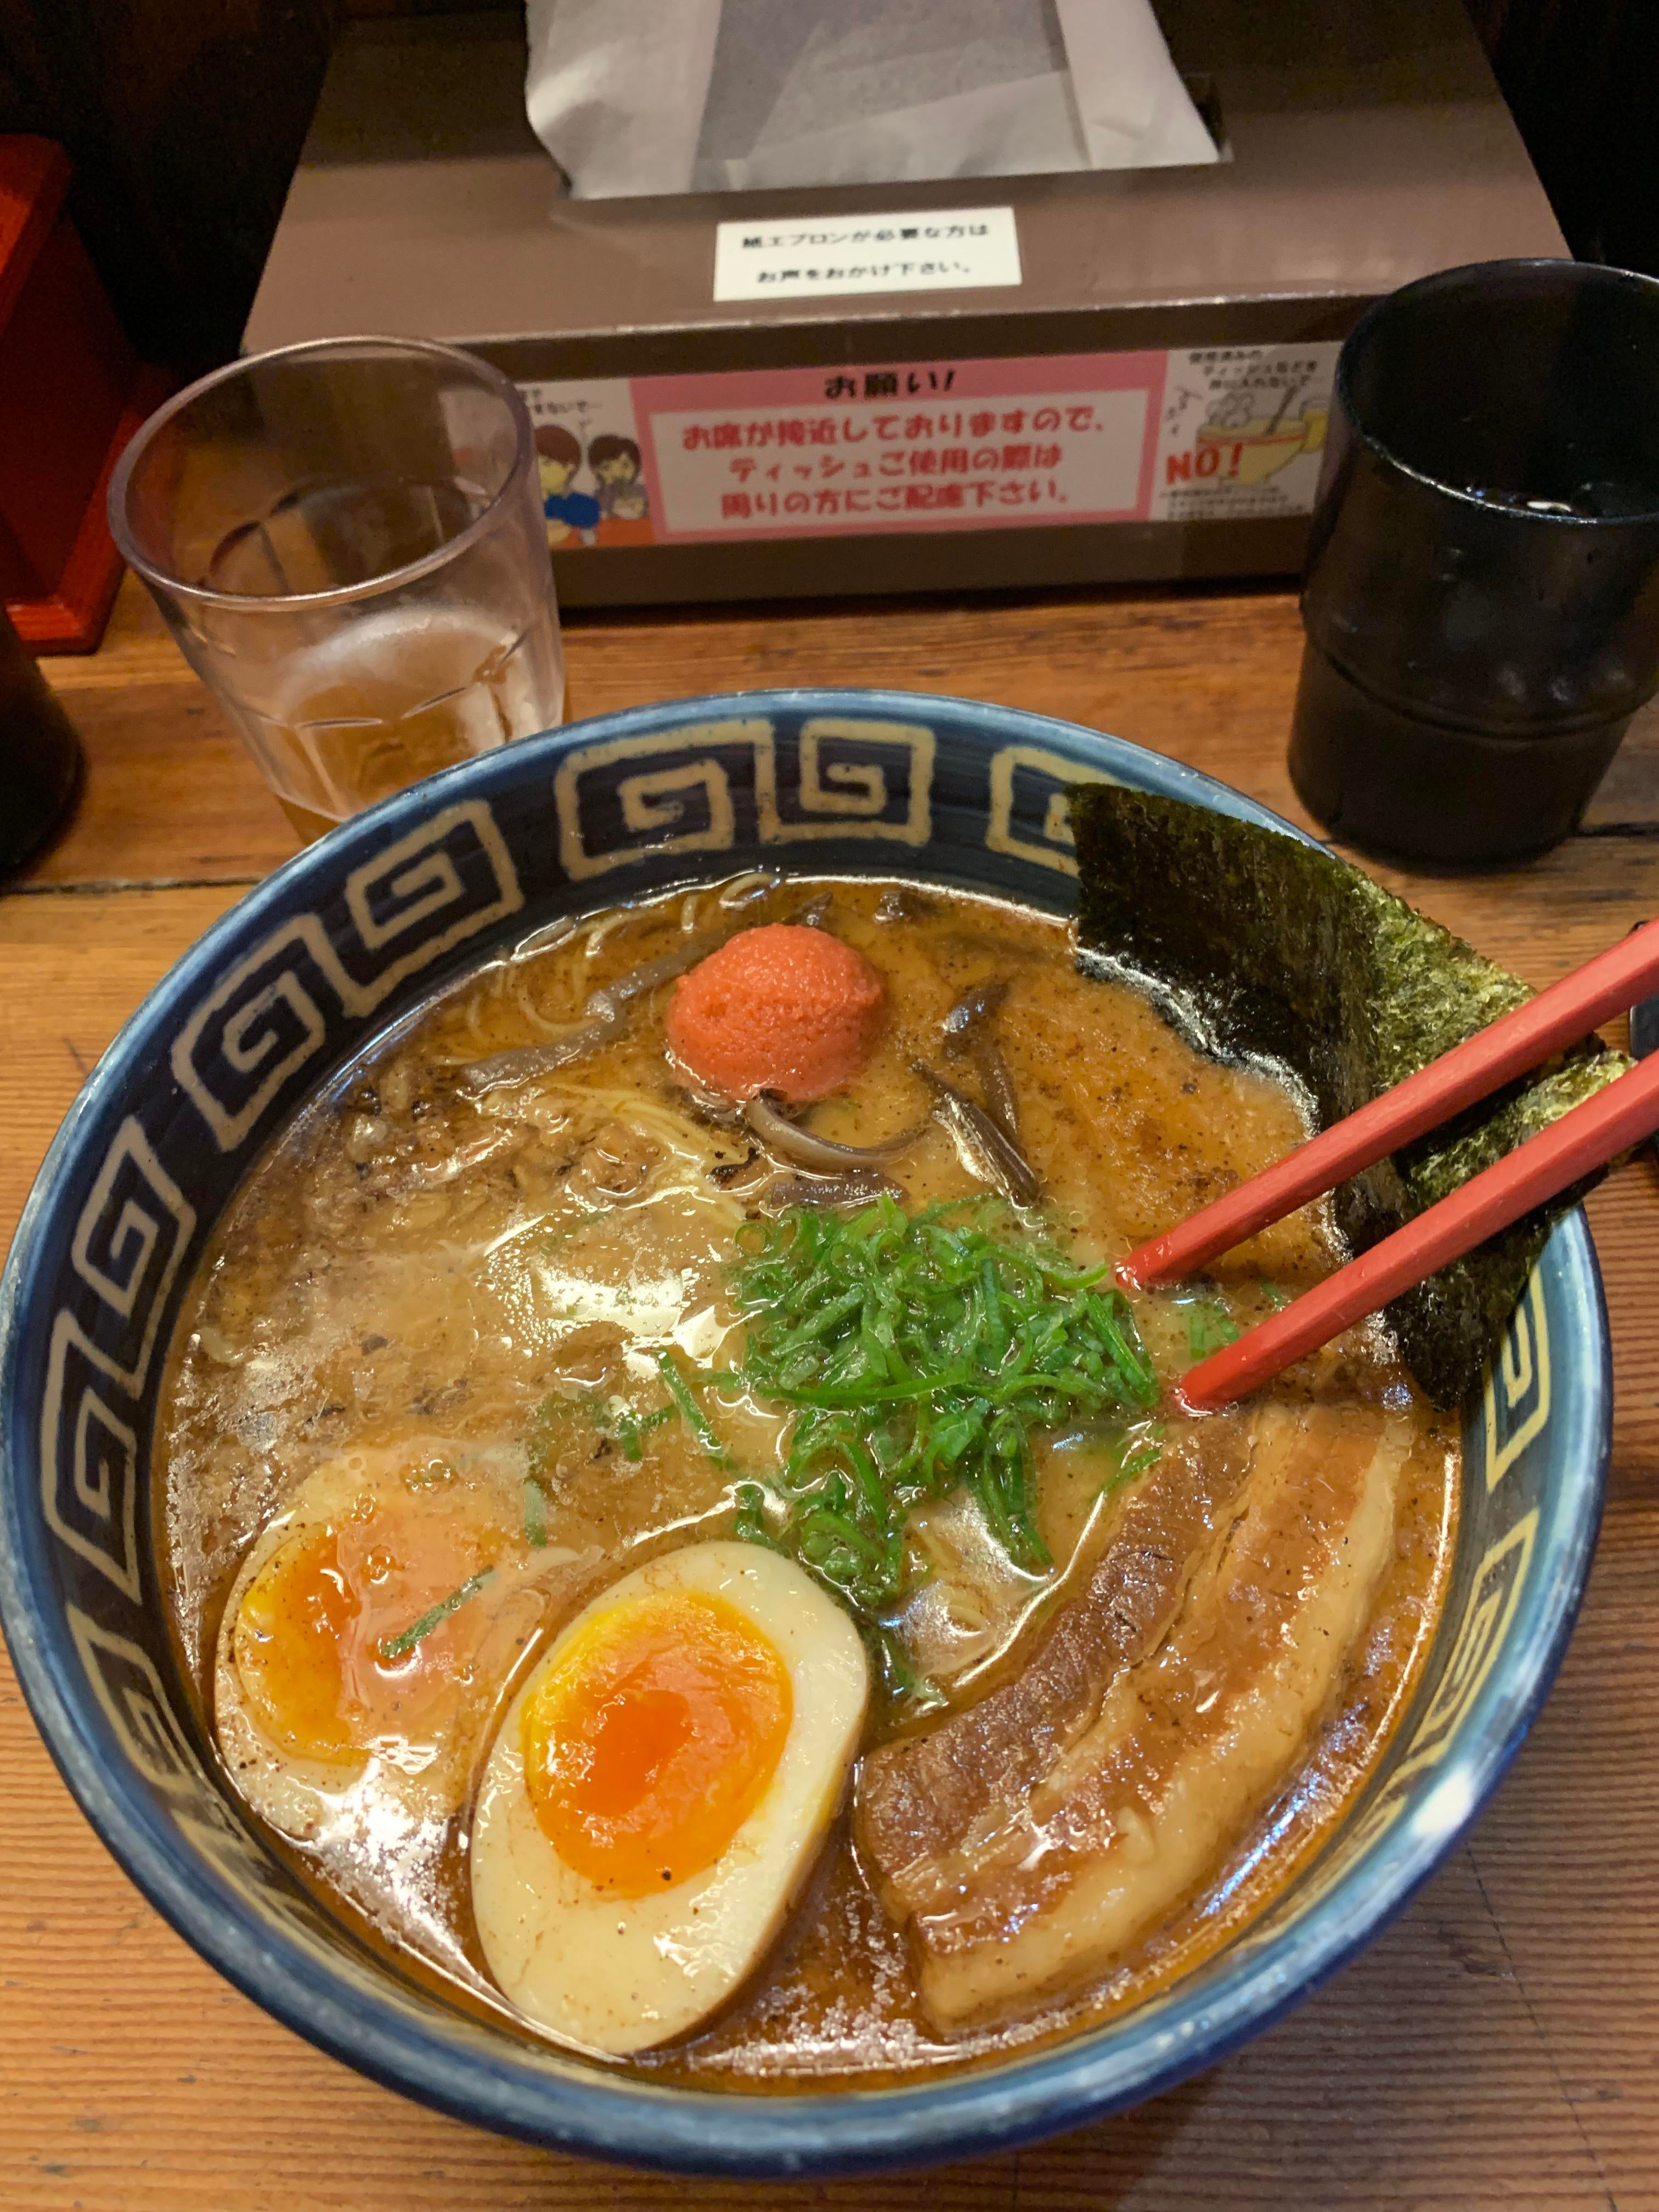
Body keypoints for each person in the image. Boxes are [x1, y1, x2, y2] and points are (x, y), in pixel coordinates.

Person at [535, 424, 600, 545]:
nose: (538, 471)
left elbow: (589, 518)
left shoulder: (583, 504)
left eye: (547, 463)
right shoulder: (521, 504)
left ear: (570, 466)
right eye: (533, 464)